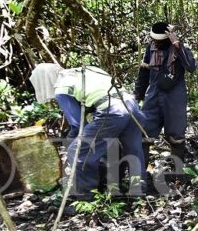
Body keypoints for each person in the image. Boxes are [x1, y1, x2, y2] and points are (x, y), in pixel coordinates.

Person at [29, 63, 147, 198]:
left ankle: (86, 198)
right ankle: (138, 190)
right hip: (131, 104)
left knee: (78, 151)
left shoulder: (61, 88)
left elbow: (78, 124)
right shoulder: (87, 70)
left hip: (112, 110)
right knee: (133, 148)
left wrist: (69, 143)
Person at [134, 22, 197, 158]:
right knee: (143, 133)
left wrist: (178, 46)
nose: (156, 43)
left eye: (160, 41)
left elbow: (191, 67)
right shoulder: (150, 48)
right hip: (153, 96)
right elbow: (144, 72)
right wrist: (138, 95)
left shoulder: (180, 47)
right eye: (154, 40)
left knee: (176, 136)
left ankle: (177, 176)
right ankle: (141, 176)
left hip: (174, 98)